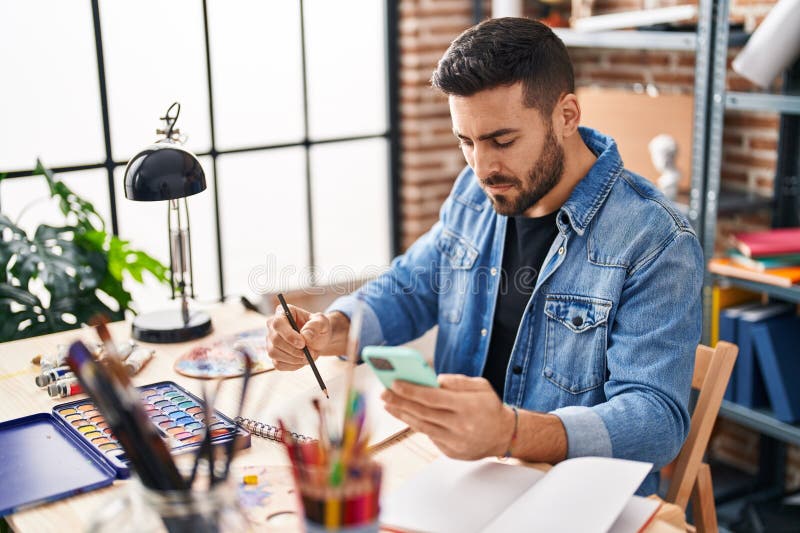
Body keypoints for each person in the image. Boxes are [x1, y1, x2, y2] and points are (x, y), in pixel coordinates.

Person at [266, 17, 703, 495]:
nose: (482, 166)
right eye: (466, 142)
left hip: (573, 496)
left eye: (503, 140)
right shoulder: (477, 195)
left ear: (567, 115)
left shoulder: (656, 240)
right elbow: (412, 286)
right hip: (459, 473)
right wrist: (333, 330)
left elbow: (655, 420)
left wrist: (511, 432)